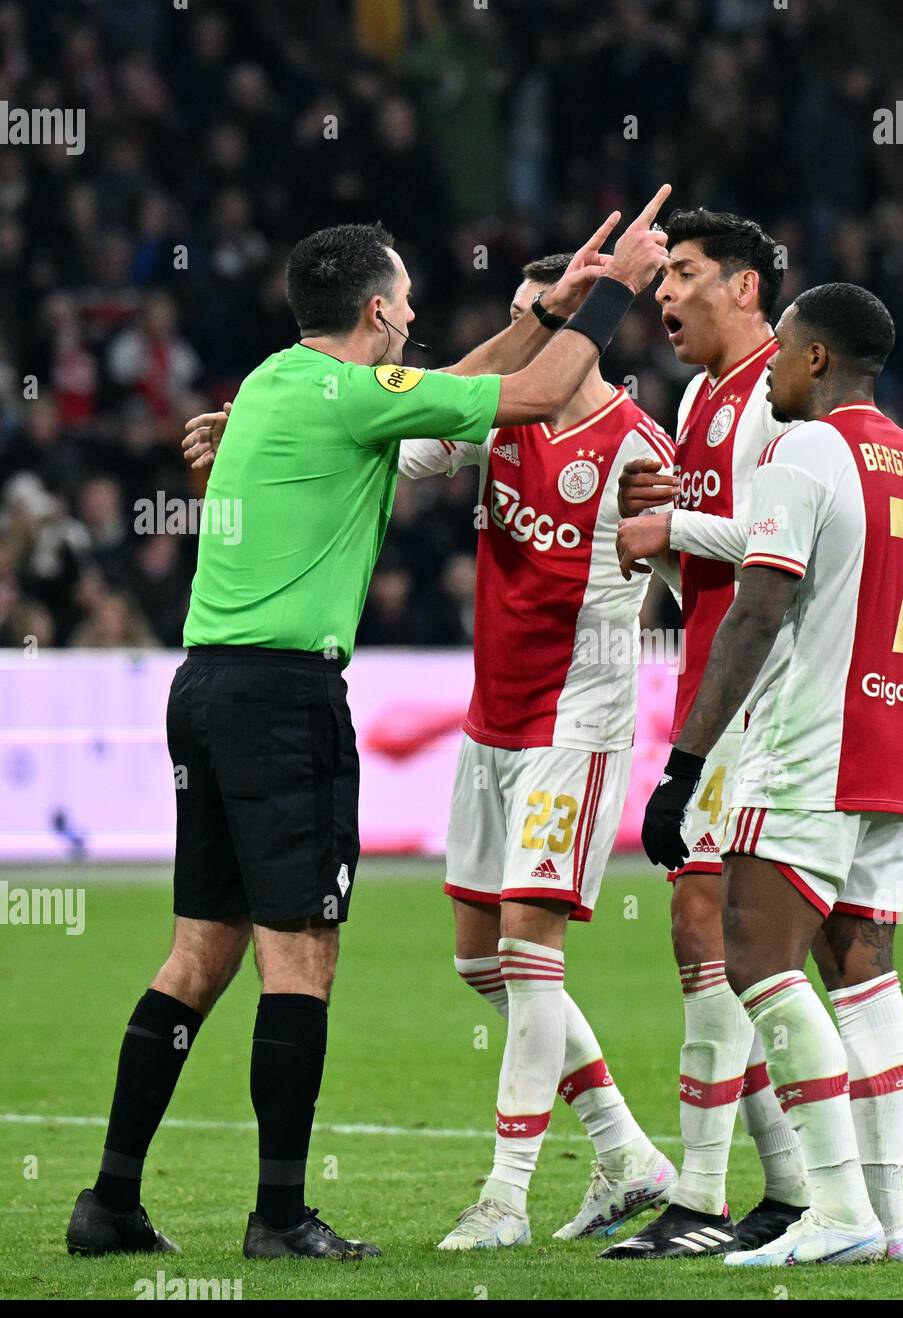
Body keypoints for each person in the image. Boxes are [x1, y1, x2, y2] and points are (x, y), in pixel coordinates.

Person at [65, 190, 671, 1260]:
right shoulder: (349, 394)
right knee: (300, 958)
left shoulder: (271, 382)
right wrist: (614, 285)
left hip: (202, 689)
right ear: (383, 313)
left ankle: (109, 1201)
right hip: (282, 702)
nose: (413, 317)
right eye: (406, 303)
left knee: (198, 955)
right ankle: (282, 1214)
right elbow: (523, 395)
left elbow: (463, 384)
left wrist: (549, 302)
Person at [639, 282, 903, 1267]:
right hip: (895, 749)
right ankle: (886, 1221)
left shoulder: (801, 450)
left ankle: (832, 1210)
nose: (769, 367)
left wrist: (683, 763)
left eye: (780, 349)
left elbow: (755, 608)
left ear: (814, 357)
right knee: (861, 974)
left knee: (755, 956)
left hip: (811, 744)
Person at [394, 252, 678, 1251]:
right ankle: (626, 1151)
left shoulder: (638, 445)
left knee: (528, 946)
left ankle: (504, 1196)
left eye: (544, 313)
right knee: (482, 962)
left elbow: (689, 578)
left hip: (578, 720)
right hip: (492, 721)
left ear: (585, 324)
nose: (528, 325)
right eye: (526, 310)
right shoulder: (500, 417)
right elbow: (406, 449)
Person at [601, 209, 814, 1260]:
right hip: (708, 692)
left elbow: (783, 549)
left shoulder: (783, 397)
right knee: (723, 941)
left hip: (767, 699)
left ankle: (699, 1196)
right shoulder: (693, 398)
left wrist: (669, 526)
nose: (663, 293)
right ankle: (789, 1187)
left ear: (744, 286)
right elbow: (706, 571)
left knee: (710, 926)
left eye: (681, 273)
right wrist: (657, 541)